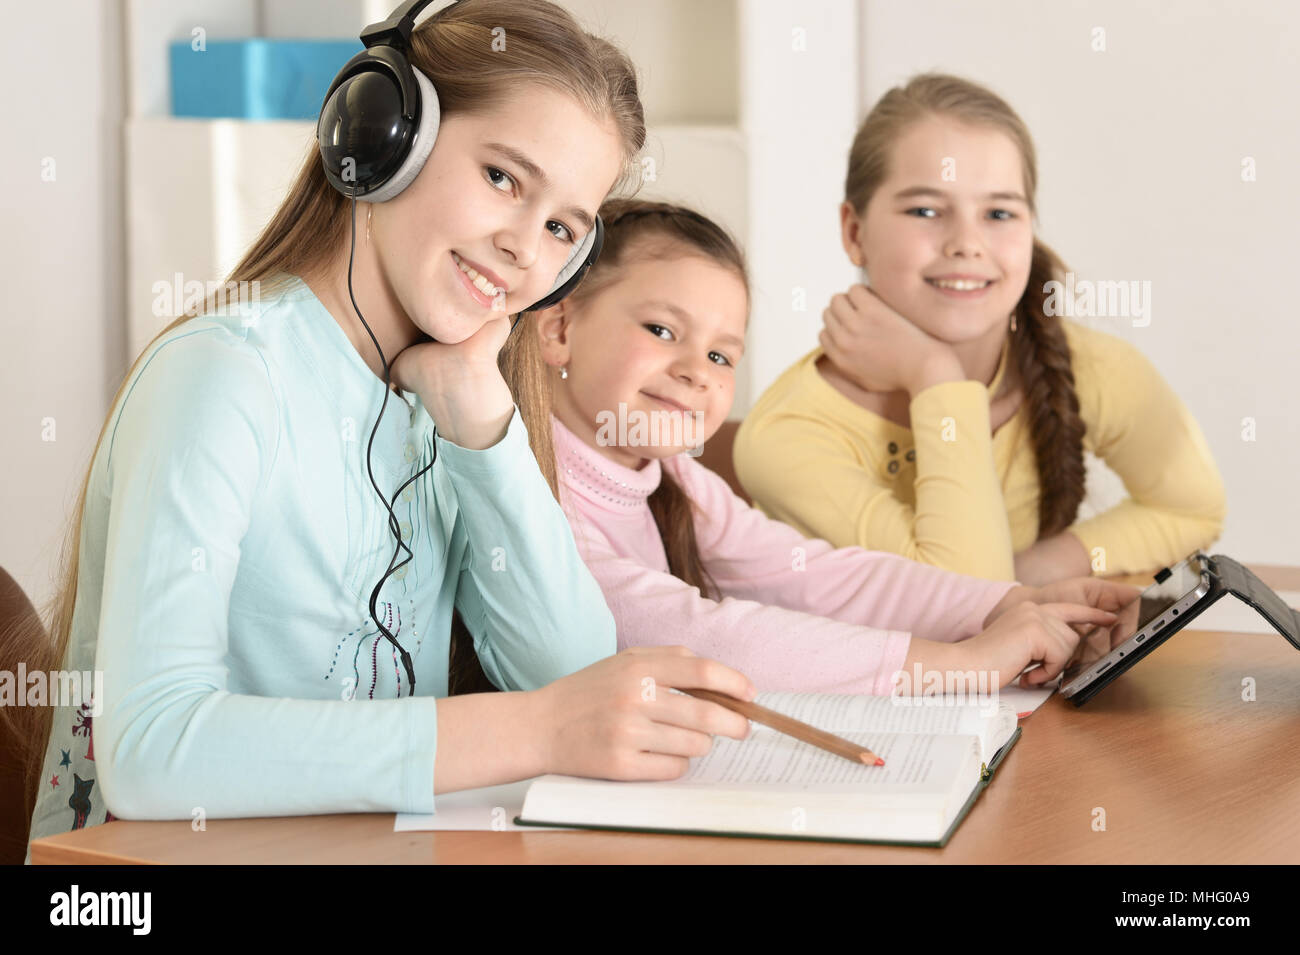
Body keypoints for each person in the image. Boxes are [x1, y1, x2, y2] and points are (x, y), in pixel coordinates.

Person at [15, 0, 758, 862]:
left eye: (562, 227)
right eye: (504, 178)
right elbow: (149, 751)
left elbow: (569, 673)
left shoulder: (449, 391)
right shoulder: (224, 373)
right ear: (383, 139)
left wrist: (481, 424)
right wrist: (533, 729)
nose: (525, 247)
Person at [533, 197, 1136, 698]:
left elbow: (819, 576)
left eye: (721, 355)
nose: (697, 372)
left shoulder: (672, 478)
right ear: (559, 327)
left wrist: (1010, 604)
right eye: (662, 330)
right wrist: (955, 666)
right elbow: (690, 633)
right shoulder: (531, 494)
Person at [732, 73, 1227, 586]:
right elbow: (968, 599)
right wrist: (936, 377)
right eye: (925, 210)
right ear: (854, 233)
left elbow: (1194, 510)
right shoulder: (785, 436)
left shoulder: (1094, 367)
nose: (967, 243)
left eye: (998, 212)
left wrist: (1046, 565)